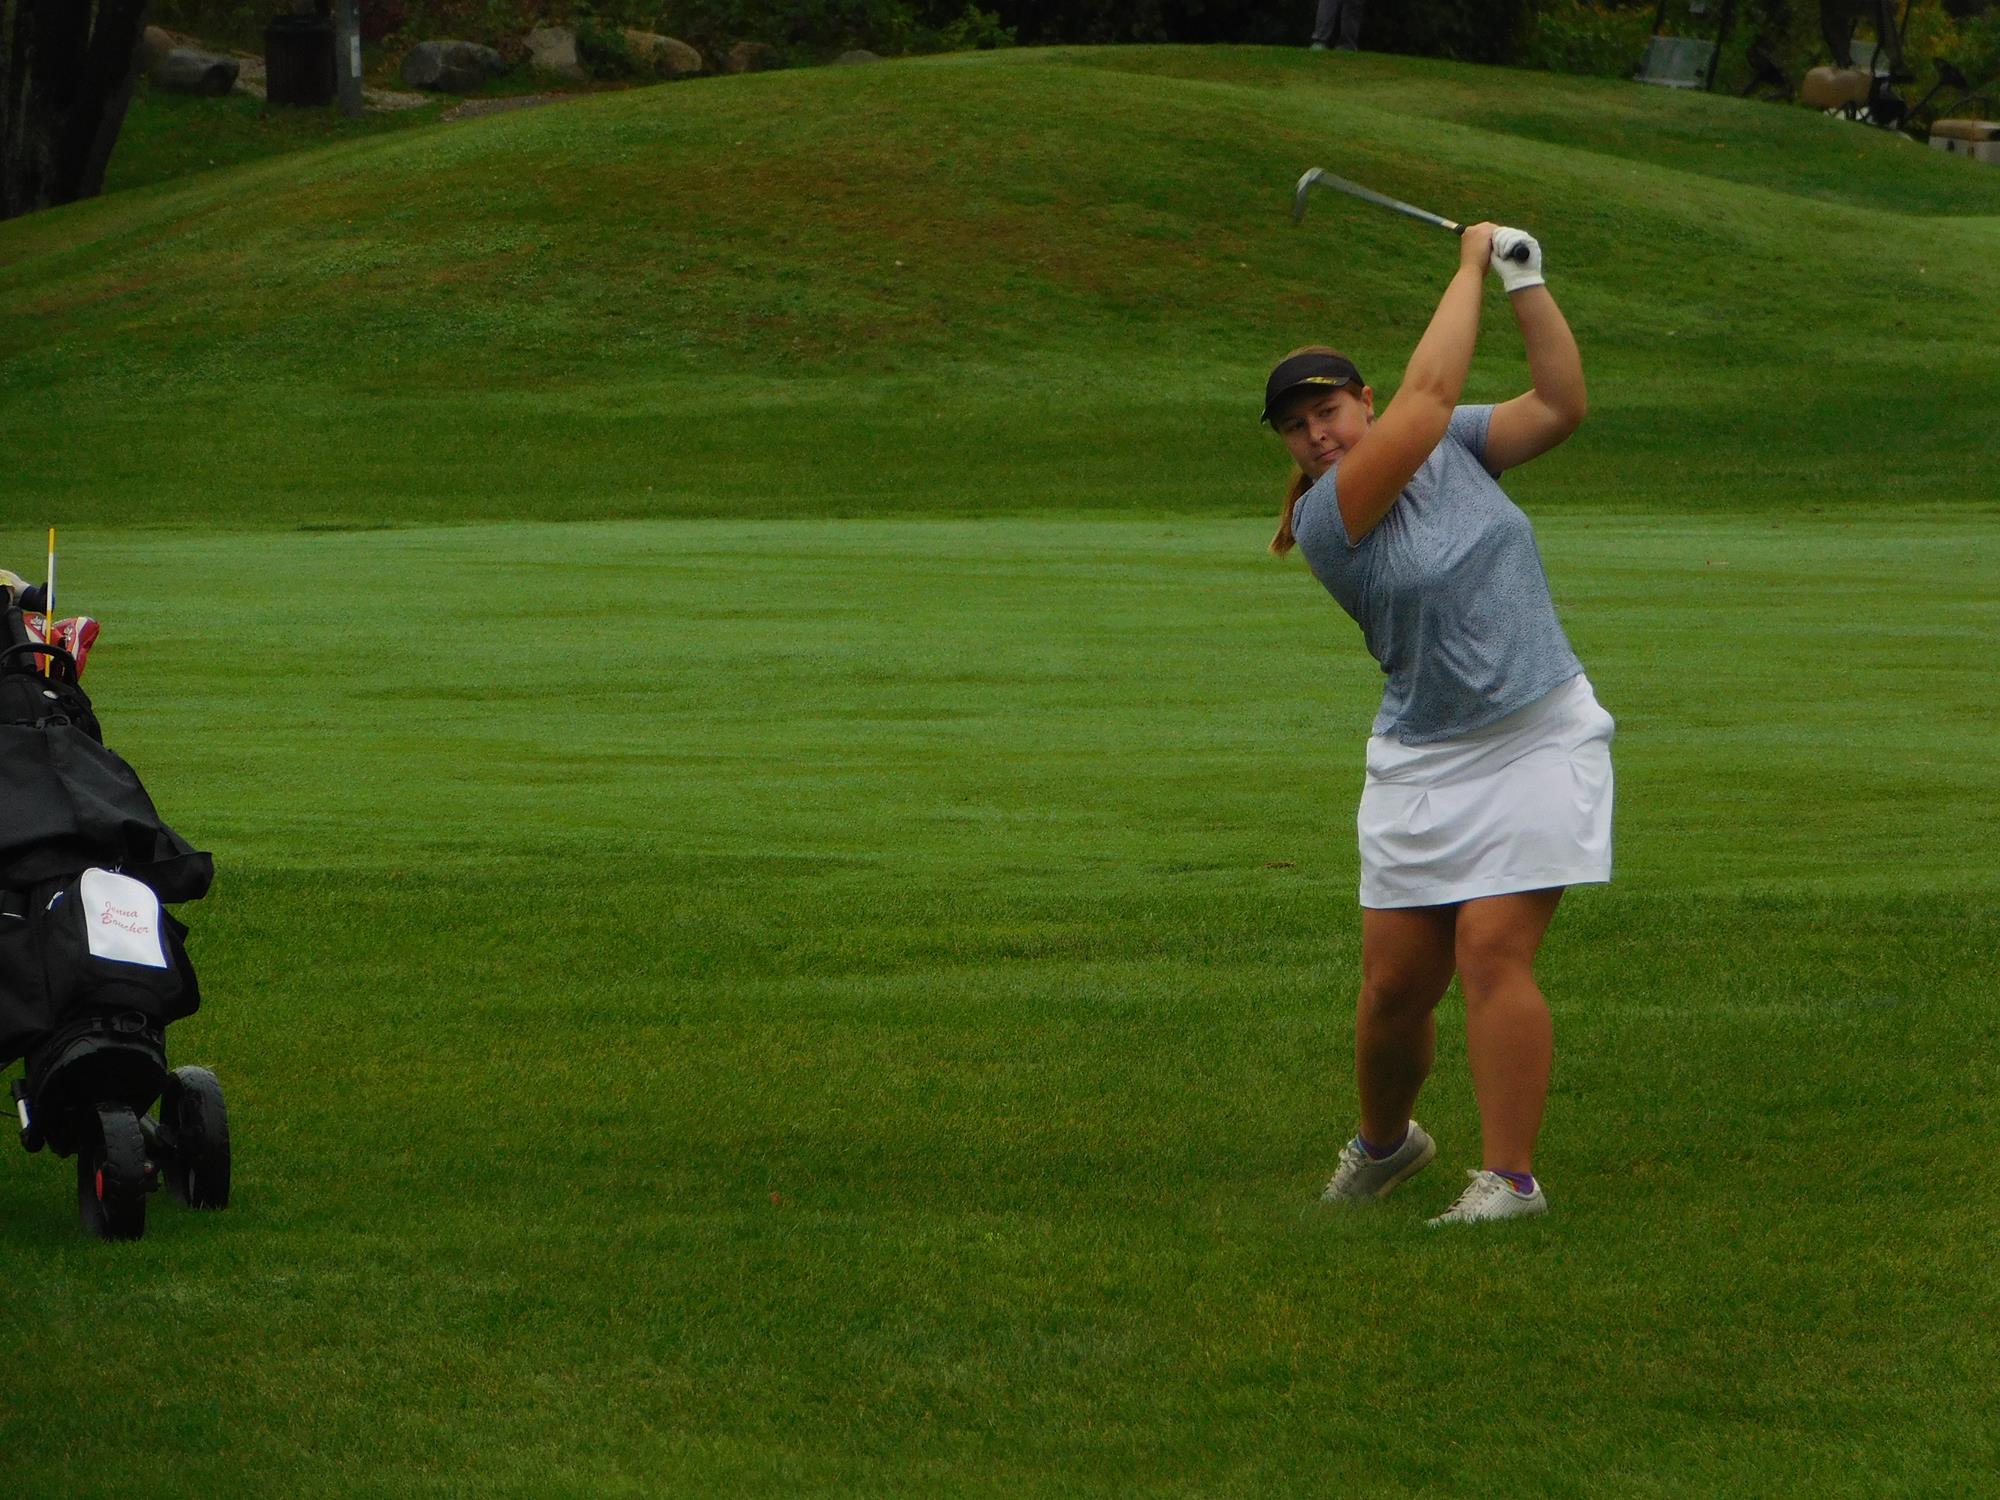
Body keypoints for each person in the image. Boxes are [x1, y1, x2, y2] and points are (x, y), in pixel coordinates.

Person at [1265, 223, 1610, 1226]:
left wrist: (1523, 280)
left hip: (1541, 728)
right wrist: (1464, 262)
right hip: (1423, 757)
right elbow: (1420, 402)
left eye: (1327, 410)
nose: (1317, 435)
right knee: (1392, 993)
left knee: (1492, 949)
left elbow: (1558, 405)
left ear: (1357, 398)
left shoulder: (1451, 443)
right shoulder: (1334, 513)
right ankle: (1386, 1146)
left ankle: (1508, 1179)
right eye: (1296, 428)